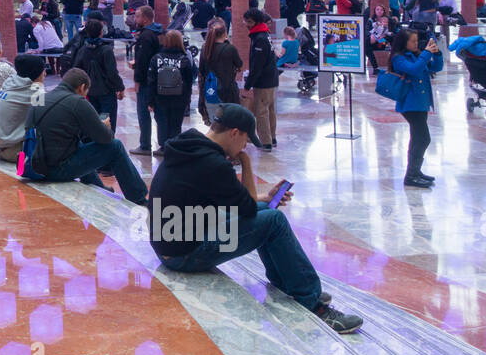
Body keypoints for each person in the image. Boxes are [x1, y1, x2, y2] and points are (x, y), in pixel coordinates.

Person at [148, 105, 363, 333]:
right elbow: (247, 208)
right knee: (274, 221)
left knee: (266, 208)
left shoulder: (190, 146)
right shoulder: (213, 163)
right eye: (245, 141)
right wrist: (246, 163)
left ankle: (288, 282)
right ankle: (311, 302)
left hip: (172, 240)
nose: (245, 146)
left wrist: (266, 196)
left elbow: (237, 202)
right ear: (234, 133)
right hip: (184, 254)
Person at [22, 68, 148, 204]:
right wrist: (105, 126)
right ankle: (139, 198)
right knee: (116, 147)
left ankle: (97, 185)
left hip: (31, 166)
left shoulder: (39, 99)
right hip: (56, 170)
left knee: (77, 143)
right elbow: (106, 138)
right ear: (82, 87)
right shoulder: (78, 102)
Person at [388, 27, 443, 188]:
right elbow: (414, 69)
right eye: (413, 41)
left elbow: (435, 68)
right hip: (410, 105)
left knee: (417, 138)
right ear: (404, 42)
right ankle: (411, 175)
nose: (416, 43)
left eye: (416, 40)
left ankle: (414, 172)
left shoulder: (417, 55)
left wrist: (437, 53)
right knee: (423, 138)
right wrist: (426, 53)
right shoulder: (399, 58)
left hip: (421, 103)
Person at [69, 18, 125, 129]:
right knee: (106, 121)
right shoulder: (106, 50)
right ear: (101, 32)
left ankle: (97, 142)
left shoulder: (83, 49)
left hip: (90, 92)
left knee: (94, 121)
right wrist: (120, 87)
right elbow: (112, 73)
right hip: (106, 93)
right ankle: (107, 143)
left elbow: (77, 70)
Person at [0, 54, 45, 161]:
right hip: (15, 152)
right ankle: (24, 168)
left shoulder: (9, 83)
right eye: (43, 71)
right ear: (36, 73)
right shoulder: (35, 91)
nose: (45, 74)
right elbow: (44, 119)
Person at [147, 30, 195, 155]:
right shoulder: (184, 59)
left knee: (162, 121)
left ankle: (163, 147)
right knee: (176, 122)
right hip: (179, 98)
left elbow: (151, 81)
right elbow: (189, 81)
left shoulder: (157, 58)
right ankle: (174, 145)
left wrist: (150, 100)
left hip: (160, 97)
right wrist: (187, 100)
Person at [130, 5, 164, 157]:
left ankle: (145, 145)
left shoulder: (145, 36)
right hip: (159, 78)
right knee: (160, 113)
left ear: (145, 18)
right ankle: (163, 144)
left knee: (143, 112)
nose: (135, 19)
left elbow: (142, 60)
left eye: (137, 16)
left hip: (146, 81)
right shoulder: (159, 32)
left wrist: (137, 79)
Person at [243, 9, 279, 150]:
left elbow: (257, 65)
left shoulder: (260, 39)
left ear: (257, 22)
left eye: (249, 22)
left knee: (261, 111)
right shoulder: (264, 34)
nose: (246, 24)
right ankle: (272, 138)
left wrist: (248, 84)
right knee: (269, 109)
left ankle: (266, 142)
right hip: (271, 79)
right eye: (246, 21)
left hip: (264, 82)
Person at [197, 20, 241, 125]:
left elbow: (201, 70)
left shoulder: (205, 48)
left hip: (211, 89)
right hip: (228, 89)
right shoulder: (230, 48)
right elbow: (239, 64)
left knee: (215, 122)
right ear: (225, 33)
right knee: (229, 121)